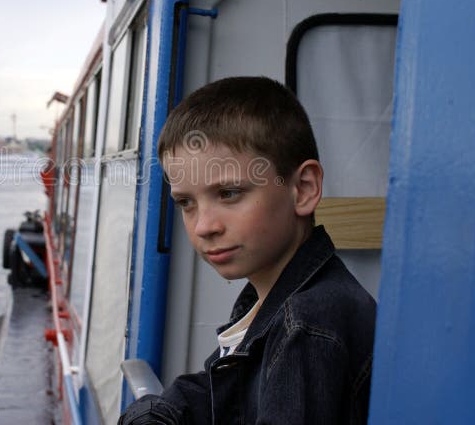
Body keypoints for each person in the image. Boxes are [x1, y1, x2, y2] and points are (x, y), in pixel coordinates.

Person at [120, 76, 376, 424]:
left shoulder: (305, 328)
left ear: (302, 189)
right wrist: (157, 413)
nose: (203, 226)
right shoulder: (272, 297)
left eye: (228, 194)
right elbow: (225, 390)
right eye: (185, 202)